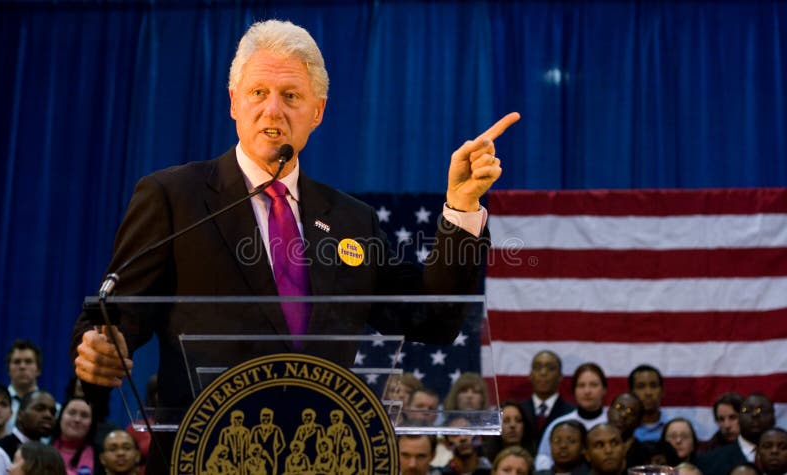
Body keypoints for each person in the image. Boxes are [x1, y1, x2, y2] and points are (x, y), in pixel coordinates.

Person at [72, 18, 518, 470]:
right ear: (233, 102)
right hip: (206, 455)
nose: (273, 110)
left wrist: (461, 207)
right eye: (258, 92)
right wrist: (100, 346)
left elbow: (433, 319)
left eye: (291, 96)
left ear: (317, 111)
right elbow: (115, 314)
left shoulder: (350, 219)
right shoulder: (174, 196)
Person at [535, 363, 609, 470]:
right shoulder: (559, 425)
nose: (587, 391)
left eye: (593, 385)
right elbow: (543, 459)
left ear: (604, 390)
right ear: (574, 391)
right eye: (581, 385)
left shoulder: (613, 421)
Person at [697, 393, 776, 475]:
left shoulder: (781, 453)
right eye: (721, 419)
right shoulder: (710, 461)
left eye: (733, 417)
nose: (727, 425)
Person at [0, 390, 57, 474]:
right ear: (20, 414)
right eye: (39, 409)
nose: (48, 415)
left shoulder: (51, 455)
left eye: (53, 412)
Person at [520, 351, 574, 448]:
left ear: (560, 376)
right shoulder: (518, 411)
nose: (543, 373)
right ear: (530, 375)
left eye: (551, 368)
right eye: (537, 367)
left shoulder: (572, 413)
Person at [5, 340, 54, 433]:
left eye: (28, 361)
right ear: (8, 369)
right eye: (17, 362)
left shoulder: (53, 410)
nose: (22, 366)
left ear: (38, 369)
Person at [51, 397, 100, 475]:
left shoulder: (101, 456)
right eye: (72, 413)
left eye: (84, 415)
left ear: (92, 423)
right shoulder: (42, 446)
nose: (77, 419)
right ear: (60, 417)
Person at [606, 392, 646, 467]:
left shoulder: (643, 454)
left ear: (639, 422)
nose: (623, 415)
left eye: (630, 412)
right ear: (608, 412)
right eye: (618, 407)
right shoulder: (592, 445)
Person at [628, 364, 666, 442]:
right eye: (641, 387)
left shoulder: (675, 428)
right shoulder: (621, 430)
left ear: (662, 391)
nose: (648, 393)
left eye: (653, 386)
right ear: (631, 393)